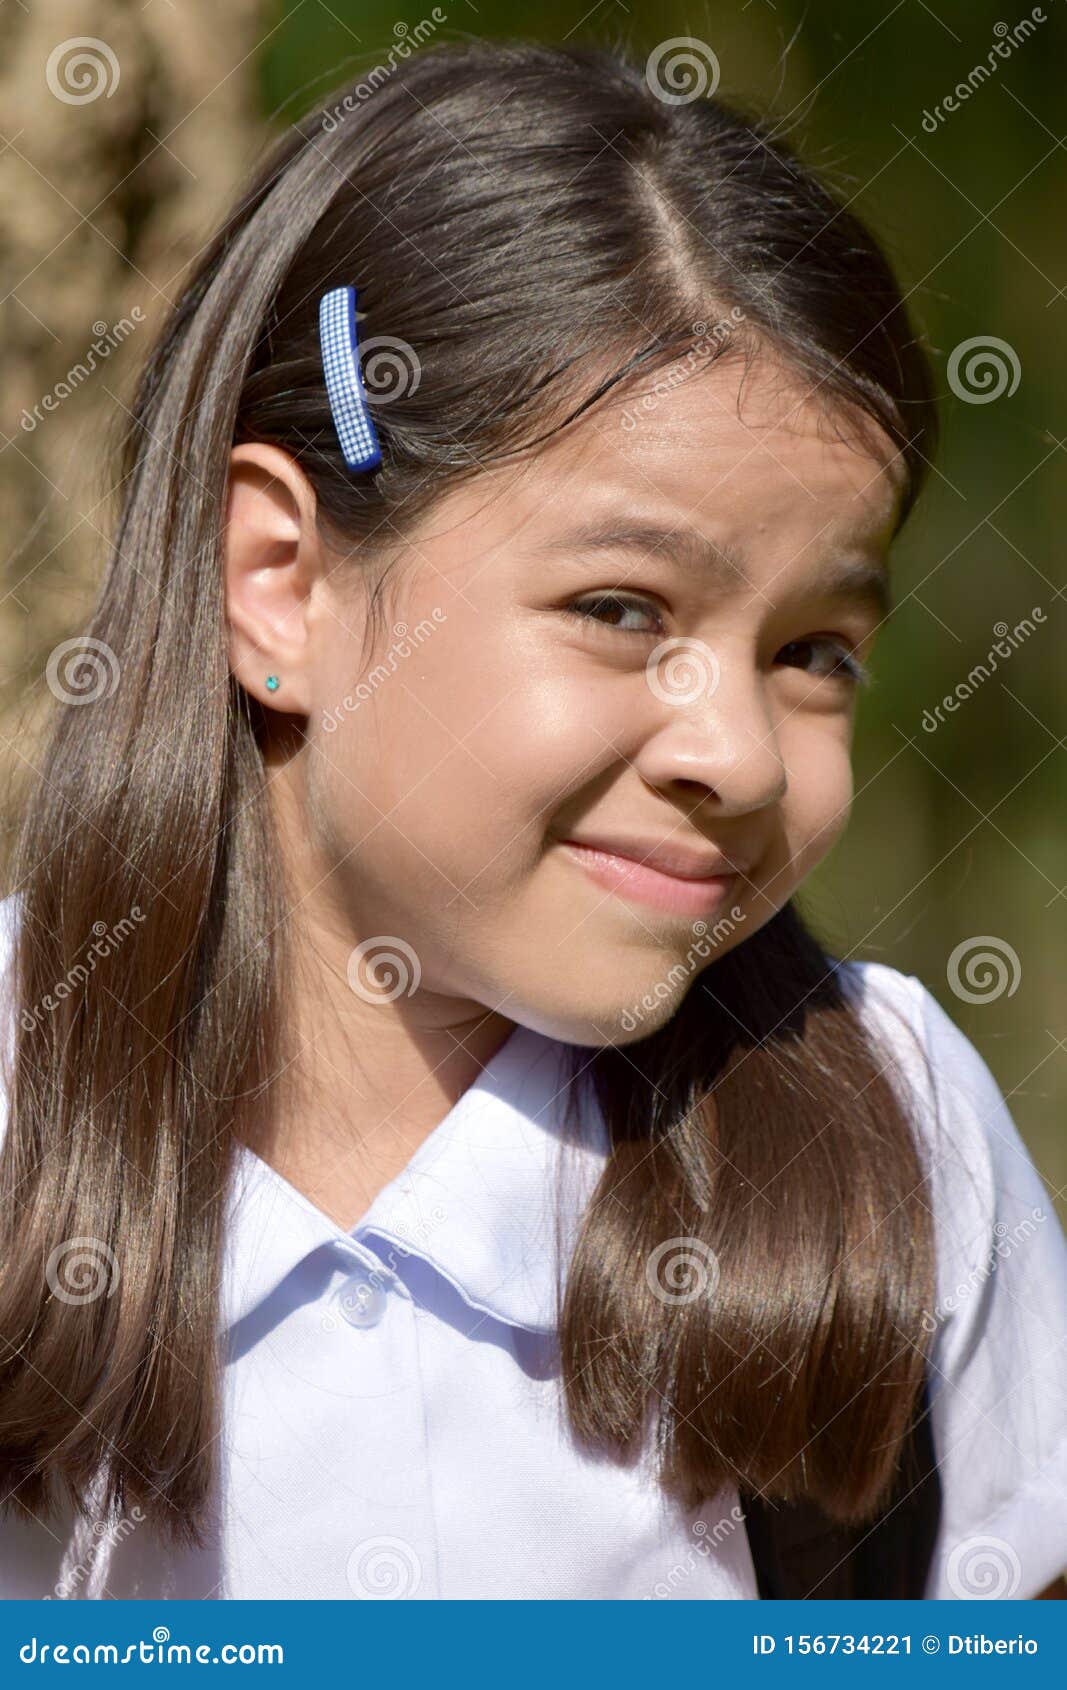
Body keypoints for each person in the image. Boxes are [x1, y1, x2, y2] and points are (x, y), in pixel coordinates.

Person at [0, 38, 1064, 1601]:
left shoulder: (894, 1139)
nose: (743, 754)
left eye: (814, 650)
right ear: (280, 584)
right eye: (622, 606)